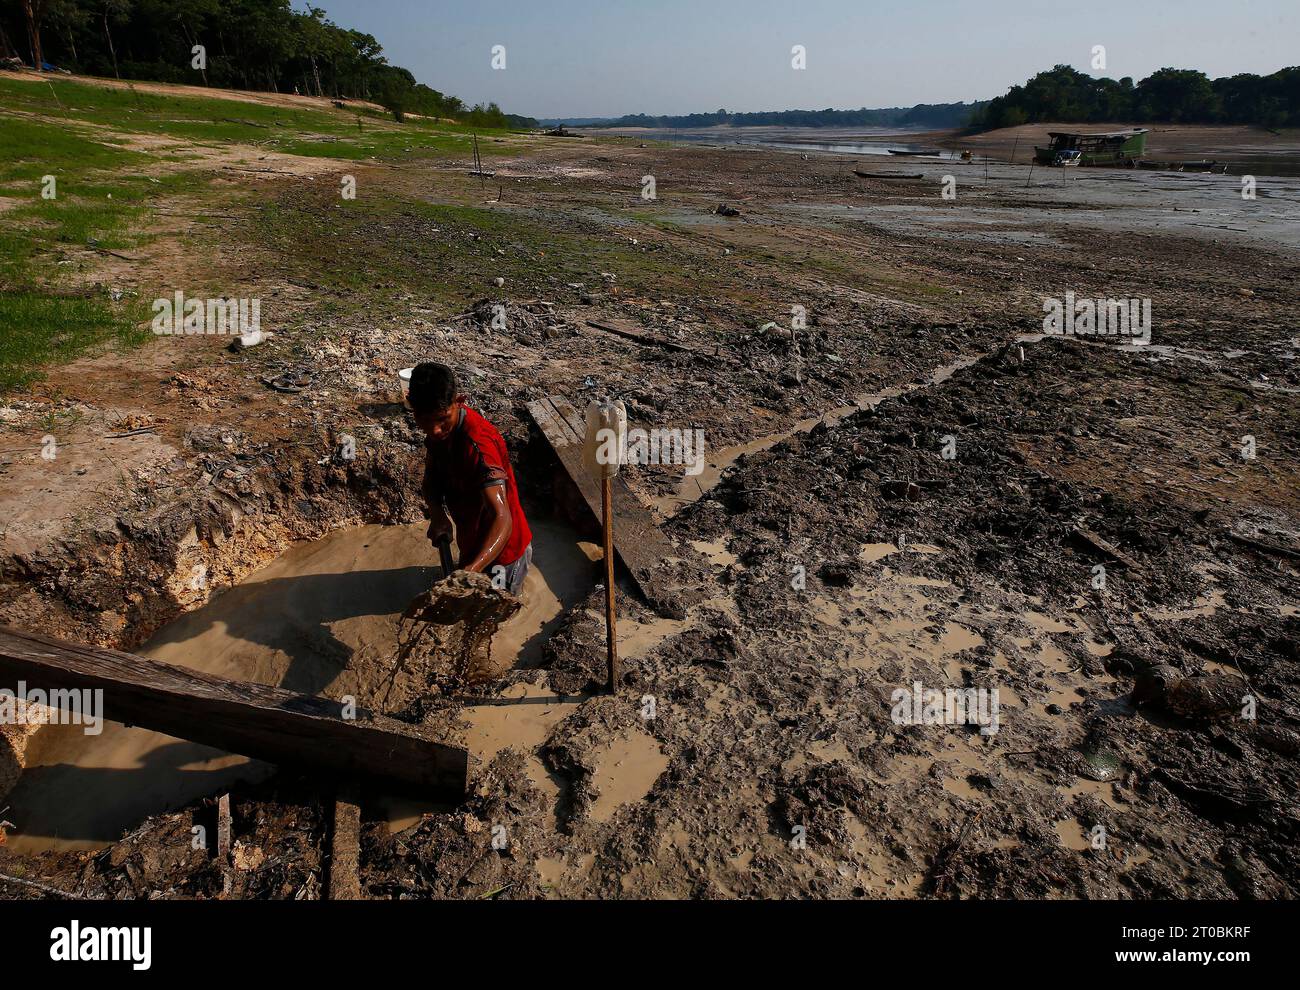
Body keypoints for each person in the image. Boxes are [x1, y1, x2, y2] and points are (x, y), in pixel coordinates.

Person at [406, 363, 533, 595]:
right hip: (472, 542)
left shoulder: (479, 445)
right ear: (411, 406)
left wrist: (470, 571)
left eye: (442, 419)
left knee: (493, 616)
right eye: (425, 421)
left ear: (459, 401)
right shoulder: (439, 434)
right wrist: (437, 515)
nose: (434, 430)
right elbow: (431, 480)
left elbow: (502, 517)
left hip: (503, 554)